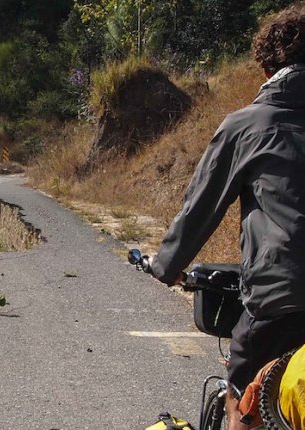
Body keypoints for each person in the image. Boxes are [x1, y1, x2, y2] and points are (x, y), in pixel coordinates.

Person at [149, 5, 305, 430]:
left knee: (246, 392)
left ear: (269, 61)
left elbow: (201, 206)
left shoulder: (249, 125)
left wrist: (165, 266)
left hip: (282, 295)